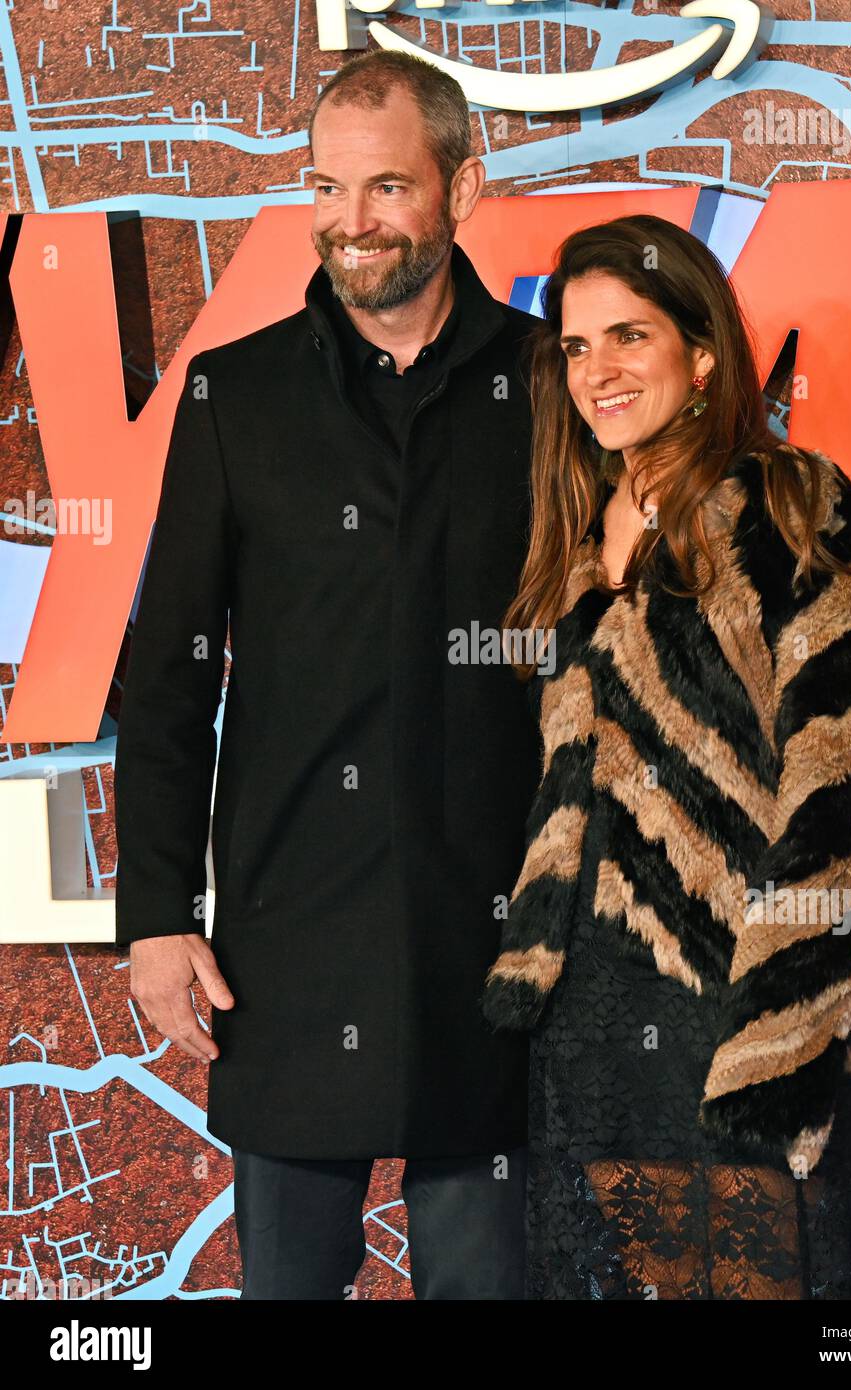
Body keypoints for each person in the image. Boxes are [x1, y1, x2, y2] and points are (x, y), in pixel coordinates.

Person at [113, 50, 542, 1300]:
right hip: (285, 940)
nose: (351, 222)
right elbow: (173, 674)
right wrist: (152, 914)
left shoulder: (551, 388)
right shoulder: (231, 395)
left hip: (495, 940)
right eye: (327, 185)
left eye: (387, 187)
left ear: (461, 192)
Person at [481, 213, 851, 1300]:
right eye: (575, 347)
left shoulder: (791, 502)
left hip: (742, 1004)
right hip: (592, 1015)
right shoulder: (573, 533)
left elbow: (841, 776)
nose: (597, 371)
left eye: (627, 336)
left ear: (701, 352)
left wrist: (779, 1028)